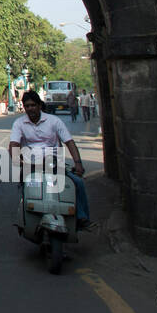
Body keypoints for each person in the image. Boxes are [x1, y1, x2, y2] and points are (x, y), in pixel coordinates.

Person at [8, 90, 94, 229]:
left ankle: (82, 218)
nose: (30, 108)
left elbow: (69, 142)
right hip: (31, 166)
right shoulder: (19, 123)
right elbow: (14, 144)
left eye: (33, 105)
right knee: (26, 188)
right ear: (24, 107)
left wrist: (78, 163)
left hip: (53, 164)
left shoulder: (54, 121)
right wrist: (18, 160)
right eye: (27, 106)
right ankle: (25, 222)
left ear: (39, 106)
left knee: (77, 183)